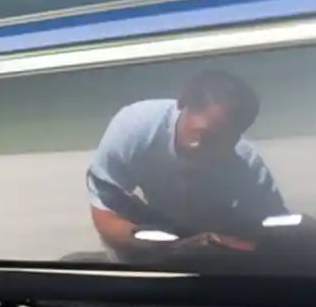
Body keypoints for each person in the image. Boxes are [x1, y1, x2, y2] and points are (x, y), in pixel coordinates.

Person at [85, 69, 290, 263]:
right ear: (183, 103)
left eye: (224, 144)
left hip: (212, 231)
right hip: (149, 230)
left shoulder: (248, 167)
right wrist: (167, 248)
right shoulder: (133, 129)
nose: (206, 153)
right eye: (204, 136)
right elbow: (105, 213)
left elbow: (274, 234)